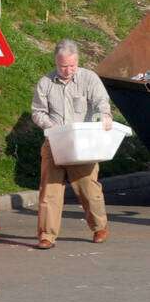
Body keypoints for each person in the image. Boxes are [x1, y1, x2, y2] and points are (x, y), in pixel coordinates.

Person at [30, 39, 113, 249]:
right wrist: (49, 125)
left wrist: (105, 113)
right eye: (63, 66)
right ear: (56, 62)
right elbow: (37, 112)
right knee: (50, 191)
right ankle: (46, 236)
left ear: (78, 61)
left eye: (72, 66)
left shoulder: (89, 78)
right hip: (55, 142)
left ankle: (99, 227)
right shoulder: (45, 83)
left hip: (83, 143)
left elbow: (101, 100)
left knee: (88, 188)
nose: (68, 71)